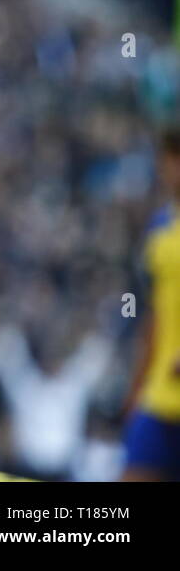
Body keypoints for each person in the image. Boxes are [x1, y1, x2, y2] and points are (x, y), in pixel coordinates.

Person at [120, 126, 180, 480]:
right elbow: (156, 316)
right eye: (168, 158)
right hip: (161, 395)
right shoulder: (159, 229)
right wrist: (136, 387)